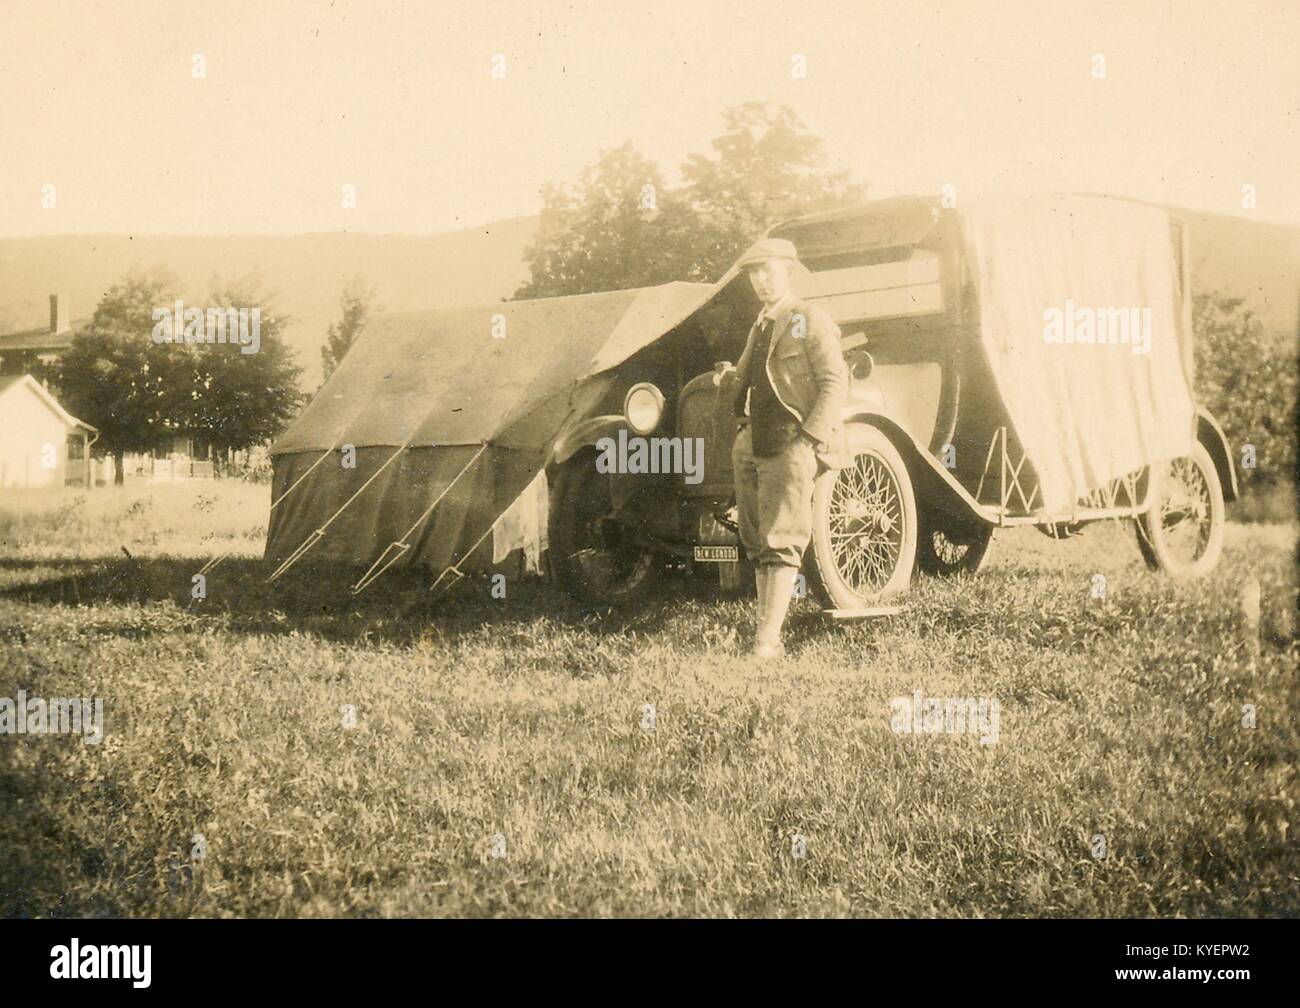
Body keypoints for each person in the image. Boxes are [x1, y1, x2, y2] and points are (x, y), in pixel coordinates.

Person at [731, 237, 849, 657]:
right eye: (753, 274)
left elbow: (836, 383)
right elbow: (747, 380)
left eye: (769, 271)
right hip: (753, 443)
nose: (760, 281)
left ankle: (767, 639)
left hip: (790, 442)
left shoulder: (809, 318)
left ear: (789, 271)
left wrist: (808, 441)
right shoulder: (760, 324)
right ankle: (767, 633)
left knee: (781, 538)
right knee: (756, 539)